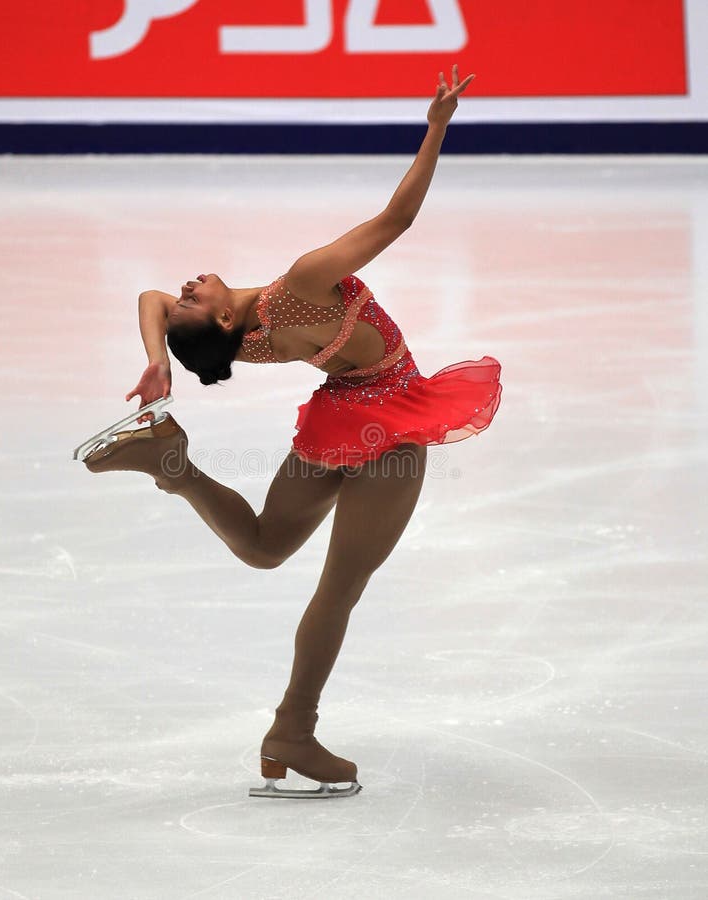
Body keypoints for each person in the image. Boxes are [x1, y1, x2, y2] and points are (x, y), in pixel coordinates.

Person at [77, 66, 502, 799]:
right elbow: (396, 221)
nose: (183, 287)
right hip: (392, 420)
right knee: (340, 588)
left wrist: (159, 360)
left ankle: (173, 465)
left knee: (266, 547)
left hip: (338, 417)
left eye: (184, 297)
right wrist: (436, 128)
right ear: (221, 319)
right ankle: (293, 730)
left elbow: (147, 297)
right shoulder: (302, 285)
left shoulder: (249, 342)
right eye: (190, 300)